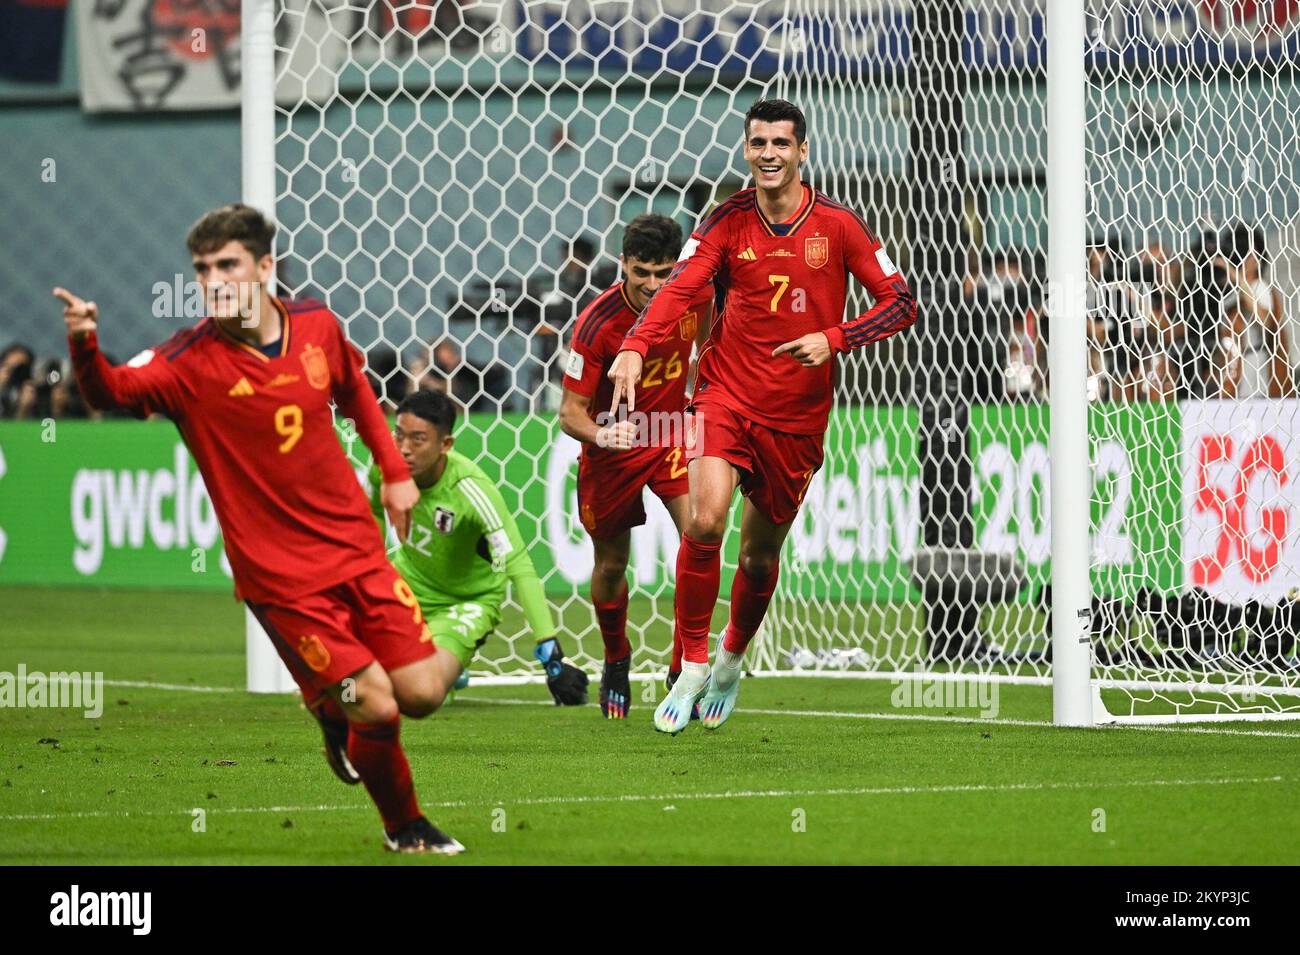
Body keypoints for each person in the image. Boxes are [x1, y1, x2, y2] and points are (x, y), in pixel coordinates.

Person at [55, 203, 462, 854]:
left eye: (227, 264)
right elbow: (108, 393)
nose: (213, 280)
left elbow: (355, 390)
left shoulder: (317, 325)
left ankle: (331, 711)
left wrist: (392, 471)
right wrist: (84, 342)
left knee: (420, 692)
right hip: (283, 581)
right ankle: (404, 825)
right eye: (201, 269)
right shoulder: (186, 363)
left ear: (264, 266)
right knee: (378, 706)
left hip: (356, 551)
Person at [608, 99, 916, 732]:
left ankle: (730, 657)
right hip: (725, 395)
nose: (769, 154)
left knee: (756, 558)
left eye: (781, 143)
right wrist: (636, 345)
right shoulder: (725, 221)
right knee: (705, 520)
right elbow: (683, 286)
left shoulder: (840, 227)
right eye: (758, 143)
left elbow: (901, 301)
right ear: (746, 150)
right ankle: (691, 661)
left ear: (802, 151)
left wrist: (835, 338)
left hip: (797, 418)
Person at [557, 213, 713, 718]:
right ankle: (617, 658)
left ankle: (682, 665)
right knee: (611, 566)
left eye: (663, 272)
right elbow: (569, 414)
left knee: (701, 537)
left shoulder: (696, 298)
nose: (651, 284)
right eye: (641, 272)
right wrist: (604, 434)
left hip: (670, 435)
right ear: (622, 264)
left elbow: (708, 345)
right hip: (612, 452)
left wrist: (703, 396)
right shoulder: (595, 326)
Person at [366, 388, 588, 706]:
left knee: (420, 696)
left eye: (417, 439)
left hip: (464, 602)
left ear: (445, 444)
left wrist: (551, 655)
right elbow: (372, 510)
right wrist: (372, 566)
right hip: (404, 583)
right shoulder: (384, 467)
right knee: (344, 673)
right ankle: (434, 665)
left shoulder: (470, 490)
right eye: (398, 435)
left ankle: (442, 667)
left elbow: (519, 564)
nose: (404, 449)